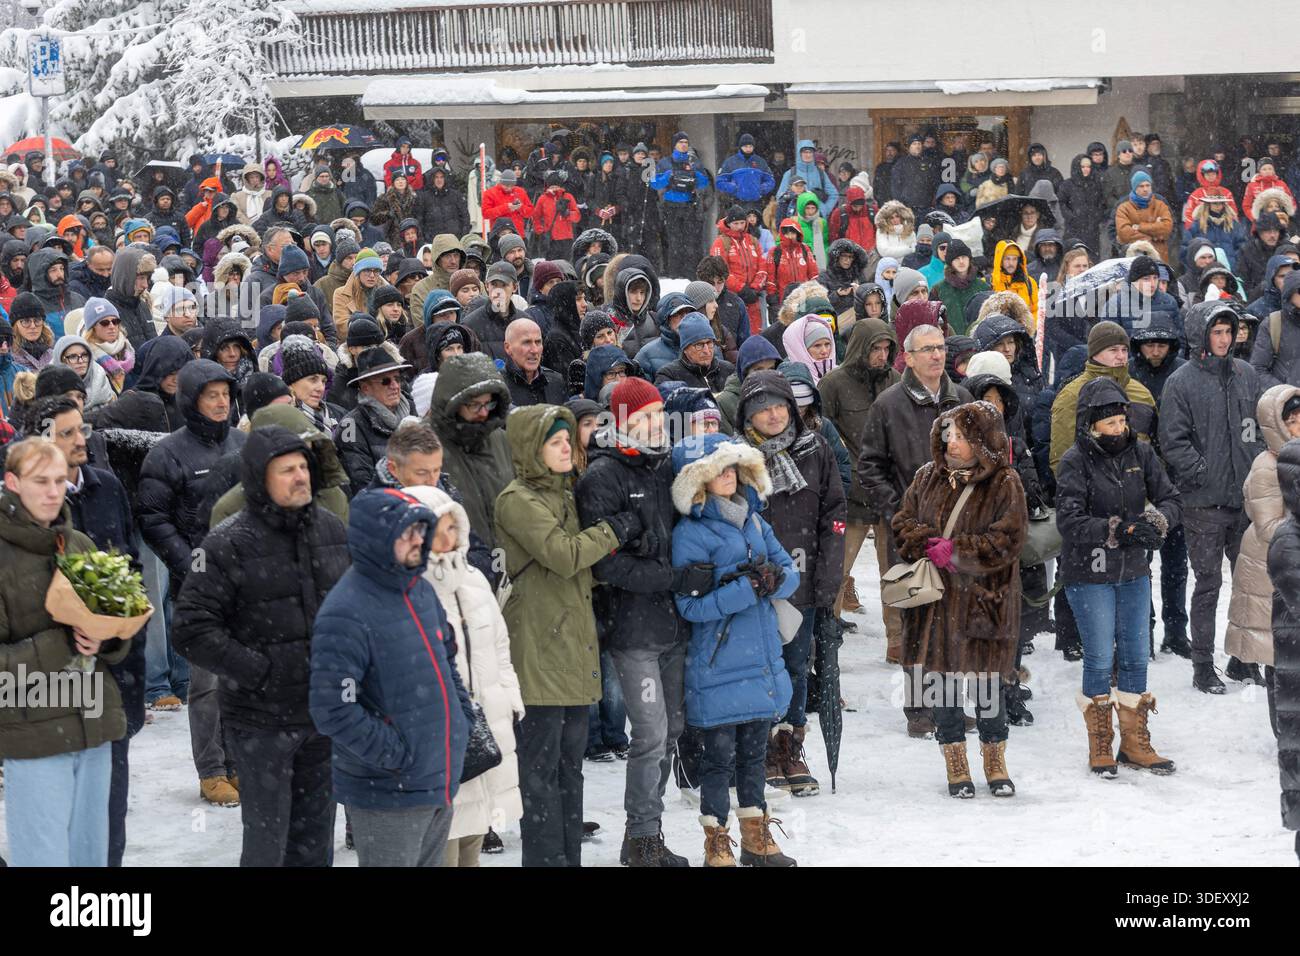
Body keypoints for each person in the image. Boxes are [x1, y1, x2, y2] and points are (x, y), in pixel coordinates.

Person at [173, 426, 350, 866]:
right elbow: (192, 627)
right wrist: (259, 672)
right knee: (267, 844)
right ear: (258, 478)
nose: (300, 477)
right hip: (261, 722)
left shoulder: (331, 530)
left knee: (314, 844)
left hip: (321, 716)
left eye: (303, 467)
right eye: (286, 469)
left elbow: (354, 610)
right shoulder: (227, 543)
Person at [495, 403, 642, 866]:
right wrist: (615, 529)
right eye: (555, 442)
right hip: (539, 651)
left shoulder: (564, 493)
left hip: (574, 649)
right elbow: (563, 554)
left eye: (567, 439)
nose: (568, 447)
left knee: (569, 770)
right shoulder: (517, 499)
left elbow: (586, 569)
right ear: (531, 449)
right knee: (540, 773)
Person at [574, 376, 711, 865]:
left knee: (672, 729)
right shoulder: (602, 476)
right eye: (642, 419)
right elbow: (604, 564)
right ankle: (641, 837)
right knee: (651, 733)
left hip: (673, 625)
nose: (654, 426)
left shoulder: (663, 466)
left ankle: (649, 831)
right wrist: (672, 577)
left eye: (657, 415)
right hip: (632, 630)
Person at [310, 488, 472, 867]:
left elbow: (447, 661)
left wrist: (461, 722)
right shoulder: (345, 610)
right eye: (406, 532)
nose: (419, 540)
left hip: (437, 776)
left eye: (421, 529)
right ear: (377, 540)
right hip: (388, 793)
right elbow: (332, 707)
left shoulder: (420, 591)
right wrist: (396, 755)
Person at [0, 437, 133, 866]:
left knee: (90, 859)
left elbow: (117, 623)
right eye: (40, 481)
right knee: (43, 859)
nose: (54, 491)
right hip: (33, 735)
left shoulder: (76, 542)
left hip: (93, 725)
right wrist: (58, 646)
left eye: (60, 480)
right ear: (12, 484)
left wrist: (107, 637)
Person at [669, 433, 800, 866]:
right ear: (699, 481)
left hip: (759, 658)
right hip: (718, 662)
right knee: (718, 761)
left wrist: (774, 580)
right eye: (718, 470)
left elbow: (789, 572)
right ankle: (717, 842)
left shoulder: (756, 520)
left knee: (753, 756)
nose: (728, 475)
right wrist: (748, 588)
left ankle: (757, 839)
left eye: (732, 467)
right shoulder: (690, 532)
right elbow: (689, 606)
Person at [893, 401, 1028, 796]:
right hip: (934, 603)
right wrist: (923, 542)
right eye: (948, 433)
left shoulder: (1006, 483)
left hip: (985, 601)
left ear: (983, 440)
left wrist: (957, 552)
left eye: (962, 436)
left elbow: (1009, 539)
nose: (951, 443)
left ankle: (995, 761)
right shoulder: (926, 477)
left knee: (988, 687)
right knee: (943, 685)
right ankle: (955, 762)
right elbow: (902, 522)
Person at [1057, 378, 1182, 776]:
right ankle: (1100, 743)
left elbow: (1170, 498)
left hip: (1134, 572)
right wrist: (1119, 530)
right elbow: (1070, 520)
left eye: (1121, 422)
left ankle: (1134, 741)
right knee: (1098, 656)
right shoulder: (1075, 460)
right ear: (1091, 424)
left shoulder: (1141, 453)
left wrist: (1155, 521)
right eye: (1109, 423)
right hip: (1089, 572)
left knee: (1134, 654)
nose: (1118, 429)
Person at [136, 358, 246, 806]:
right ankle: (212, 769)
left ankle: (240, 762)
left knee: (244, 680)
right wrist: (190, 563)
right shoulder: (168, 453)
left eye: (225, 394)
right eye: (211, 395)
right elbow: (153, 517)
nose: (220, 403)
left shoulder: (243, 443)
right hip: (200, 587)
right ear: (191, 400)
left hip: (250, 582)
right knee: (208, 684)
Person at [858, 324, 973, 735]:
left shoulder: (962, 399)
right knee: (918, 618)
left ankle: (951, 706)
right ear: (907, 356)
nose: (936, 355)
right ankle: (920, 711)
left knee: (955, 619)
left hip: (958, 530)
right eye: (927, 349)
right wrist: (899, 515)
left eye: (941, 347)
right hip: (909, 534)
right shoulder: (889, 404)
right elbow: (869, 467)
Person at [403, 484, 524, 867]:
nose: (447, 537)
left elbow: (500, 643)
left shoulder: (473, 578)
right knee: (442, 842)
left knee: (474, 833)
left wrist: (508, 694)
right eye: (437, 528)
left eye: (453, 527)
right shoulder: (407, 586)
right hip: (438, 736)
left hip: (486, 725)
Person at [737, 370, 845, 796]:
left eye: (780, 405)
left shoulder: (815, 448)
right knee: (759, 666)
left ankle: (789, 743)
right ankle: (760, 746)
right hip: (755, 585)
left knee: (796, 666)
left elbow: (833, 514)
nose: (774, 414)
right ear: (748, 413)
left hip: (803, 580)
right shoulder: (736, 456)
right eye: (763, 408)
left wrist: (828, 574)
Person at [1160, 302, 1266, 694]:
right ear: (1202, 335)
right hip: (1202, 503)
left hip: (1244, 501)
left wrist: (1254, 466)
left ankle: (1244, 657)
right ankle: (1203, 662)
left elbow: (1256, 427)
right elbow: (1173, 440)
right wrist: (1201, 472)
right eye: (1216, 332)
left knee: (1249, 584)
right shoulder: (1181, 381)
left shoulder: (1246, 374)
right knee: (1208, 585)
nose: (1224, 340)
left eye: (1228, 332)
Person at [1227, 386, 1300, 728]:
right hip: (1269, 568)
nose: (1299, 425)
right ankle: (1280, 730)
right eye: (1293, 420)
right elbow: (1269, 525)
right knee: (1276, 653)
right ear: (1276, 424)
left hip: (1290, 567)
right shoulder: (1267, 466)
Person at [819, 317, 900, 622]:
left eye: (886, 348)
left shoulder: (896, 380)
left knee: (894, 575)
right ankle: (828, 636)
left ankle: (898, 641)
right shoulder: (833, 384)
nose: (881, 355)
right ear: (858, 349)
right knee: (836, 571)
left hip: (888, 496)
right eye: (875, 349)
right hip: (849, 499)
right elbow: (821, 436)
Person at [427, 352, 514, 554]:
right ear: (453, 404)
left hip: (510, 565)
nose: (484, 412)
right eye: (474, 404)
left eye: (489, 403)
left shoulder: (501, 440)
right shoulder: (428, 448)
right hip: (460, 567)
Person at [335, 348, 414, 492]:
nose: (395, 386)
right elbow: (362, 484)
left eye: (397, 379)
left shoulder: (412, 413)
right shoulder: (351, 425)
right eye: (385, 381)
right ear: (365, 388)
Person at [503, 317, 566, 406]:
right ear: (508, 347)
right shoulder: (498, 386)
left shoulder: (556, 382)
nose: (535, 350)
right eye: (526, 342)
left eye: (538, 342)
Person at [1116, 171, 1174, 263]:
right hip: (1134, 259)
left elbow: (1167, 228)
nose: (1145, 189)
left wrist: (1139, 227)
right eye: (1141, 186)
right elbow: (1124, 234)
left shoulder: (1160, 205)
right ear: (1135, 188)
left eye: (1148, 185)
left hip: (1159, 257)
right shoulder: (1124, 208)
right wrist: (1153, 234)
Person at [1058, 154, 1105, 253]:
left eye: (1088, 167)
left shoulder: (1096, 185)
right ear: (1077, 167)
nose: (1086, 169)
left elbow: (1101, 203)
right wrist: (1072, 217)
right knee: (1074, 258)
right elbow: (1061, 203)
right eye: (1083, 167)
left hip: (1093, 231)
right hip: (1073, 230)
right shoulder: (1067, 185)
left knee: (1092, 260)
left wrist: (1096, 218)